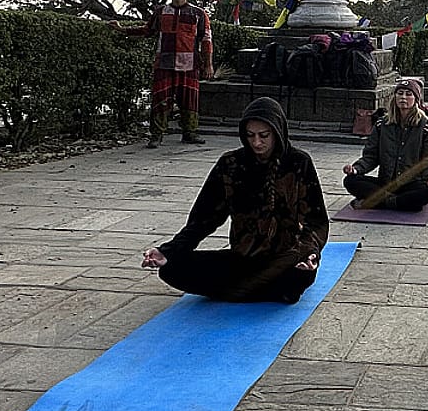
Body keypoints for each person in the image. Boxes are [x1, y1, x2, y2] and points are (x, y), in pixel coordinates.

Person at [140, 97, 328, 303]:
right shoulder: (230, 164)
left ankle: (253, 289)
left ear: (277, 132)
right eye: (250, 135)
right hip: (243, 259)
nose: (257, 142)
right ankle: (261, 290)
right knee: (171, 269)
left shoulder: (299, 162)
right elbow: (203, 219)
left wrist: (310, 253)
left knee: (299, 274)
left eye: (264, 135)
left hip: (285, 259)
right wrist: (168, 250)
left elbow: (316, 221)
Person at [111, 0, 214, 148]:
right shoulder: (160, 11)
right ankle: (156, 135)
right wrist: (122, 30)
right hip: (164, 63)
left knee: (189, 100)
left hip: (190, 64)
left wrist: (208, 64)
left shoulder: (198, 13)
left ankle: (190, 133)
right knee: (160, 100)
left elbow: (206, 39)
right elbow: (147, 30)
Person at [342, 79, 428, 211]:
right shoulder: (382, 124)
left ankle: (380, 202)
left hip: (411, 184)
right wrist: (356, 169)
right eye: (400, 93)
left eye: (408, 94)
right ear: (394, 97)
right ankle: (400, 203)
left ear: (416, 99)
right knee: (350, 181)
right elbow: (370, 157)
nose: (403, 97)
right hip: (385, 183)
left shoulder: (426, 126)